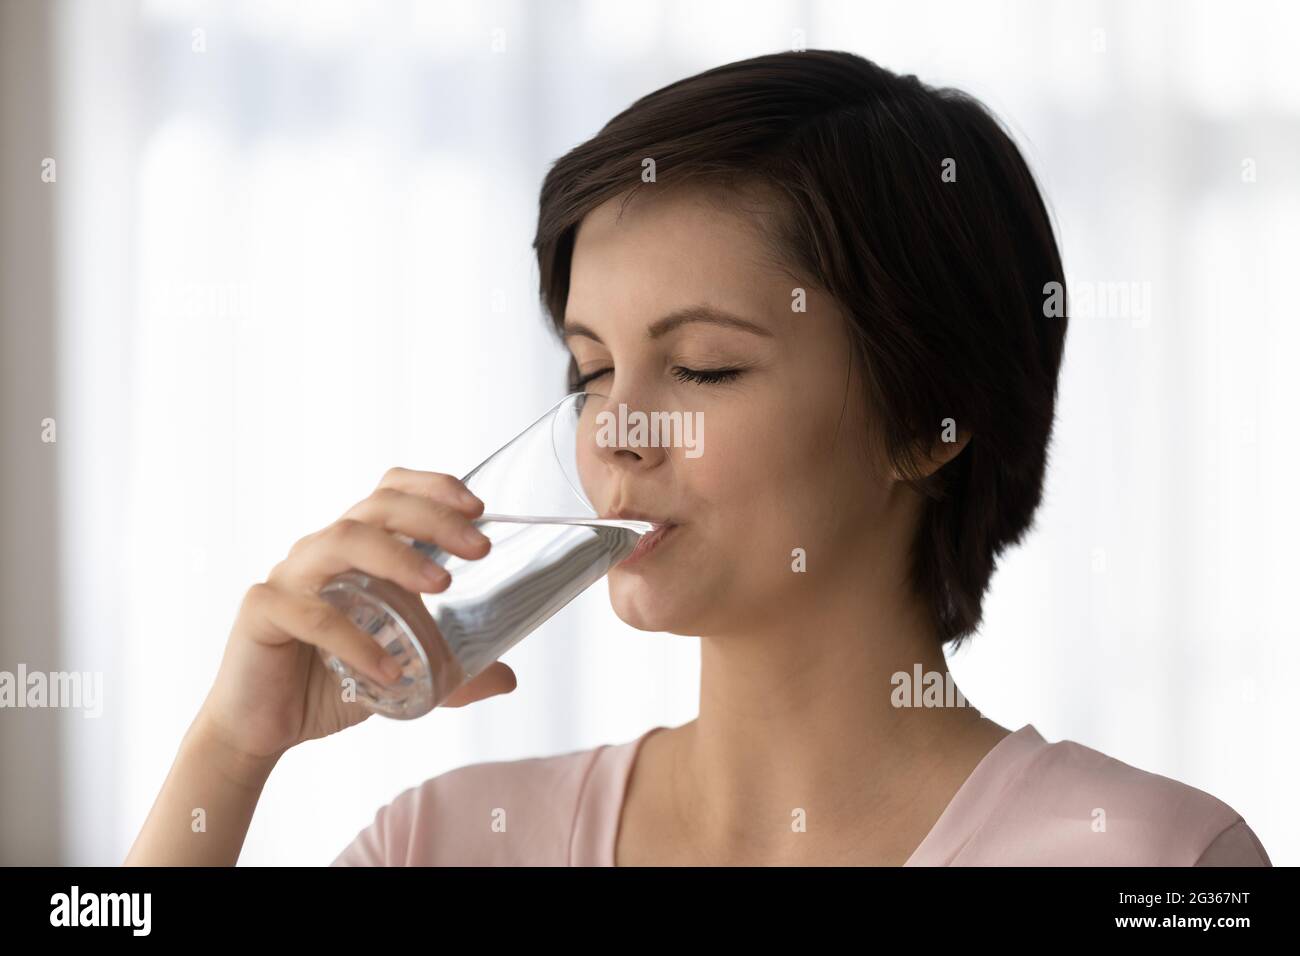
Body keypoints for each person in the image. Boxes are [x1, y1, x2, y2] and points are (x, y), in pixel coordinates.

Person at [126, 50, 1270, 867]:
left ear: (930, 421)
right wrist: (230, 751)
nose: (617, 430)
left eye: (704, 368)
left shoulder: (1158, 862)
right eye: (588, 372)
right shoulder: (445, 838)